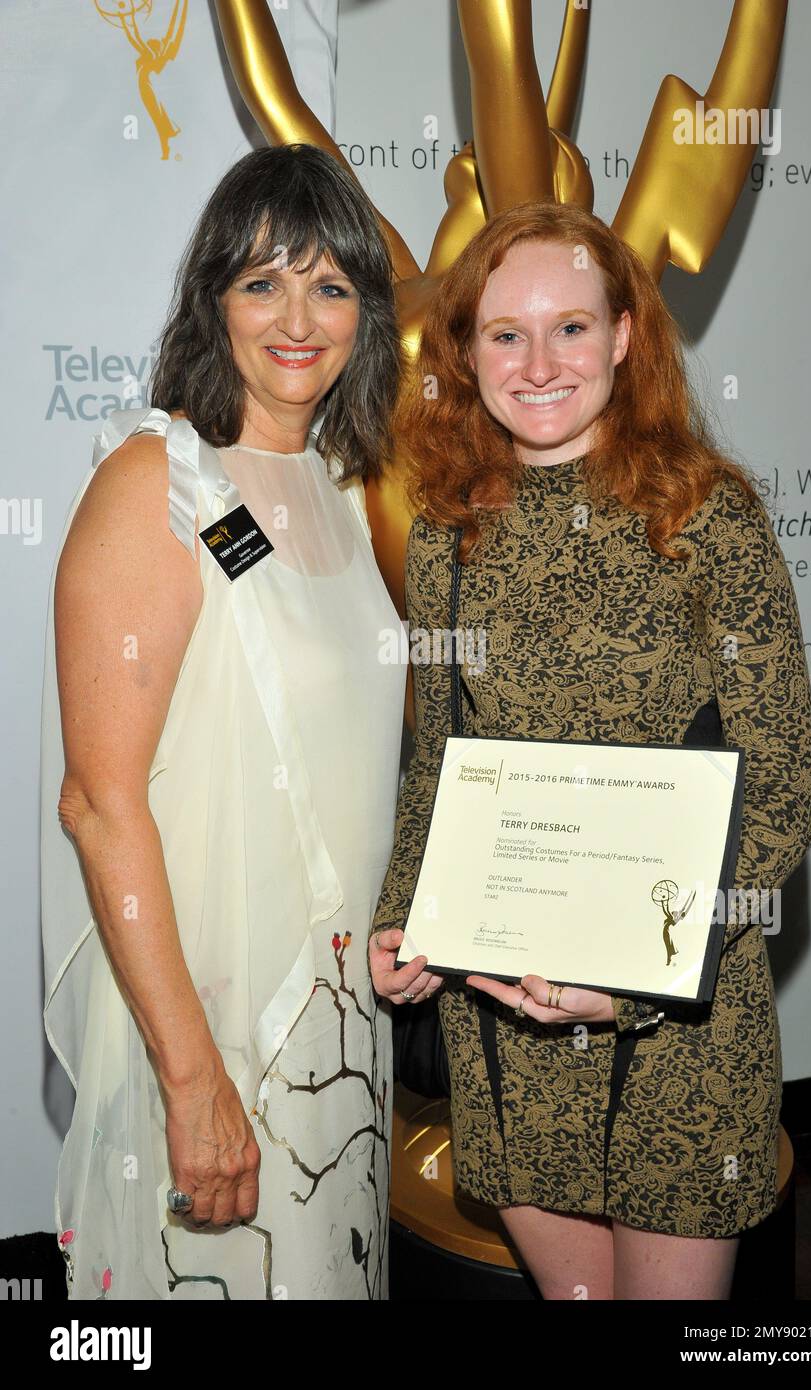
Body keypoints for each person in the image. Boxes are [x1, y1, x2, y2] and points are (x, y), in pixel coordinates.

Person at [369, 201, 811, 1300]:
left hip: (677, 1027)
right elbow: (441, 758)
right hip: (508, 1017)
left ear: (624, 334)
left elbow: (782, 791)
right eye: (504, 334)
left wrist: (627, 985)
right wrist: (404, 914)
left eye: (569, 327)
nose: (537, 363)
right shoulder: (448, 533)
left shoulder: (709, 518)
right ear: (463, 353)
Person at [40, 144, 406, 1300]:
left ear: (366, 313)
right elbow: (100, 804)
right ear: (213, 301)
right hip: (203, 1030)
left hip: (338, 1032)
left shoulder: (348, 492)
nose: (297, 318)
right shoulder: (157, 483)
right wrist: (191, 1077)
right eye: (263, 282)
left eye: (330, 286)